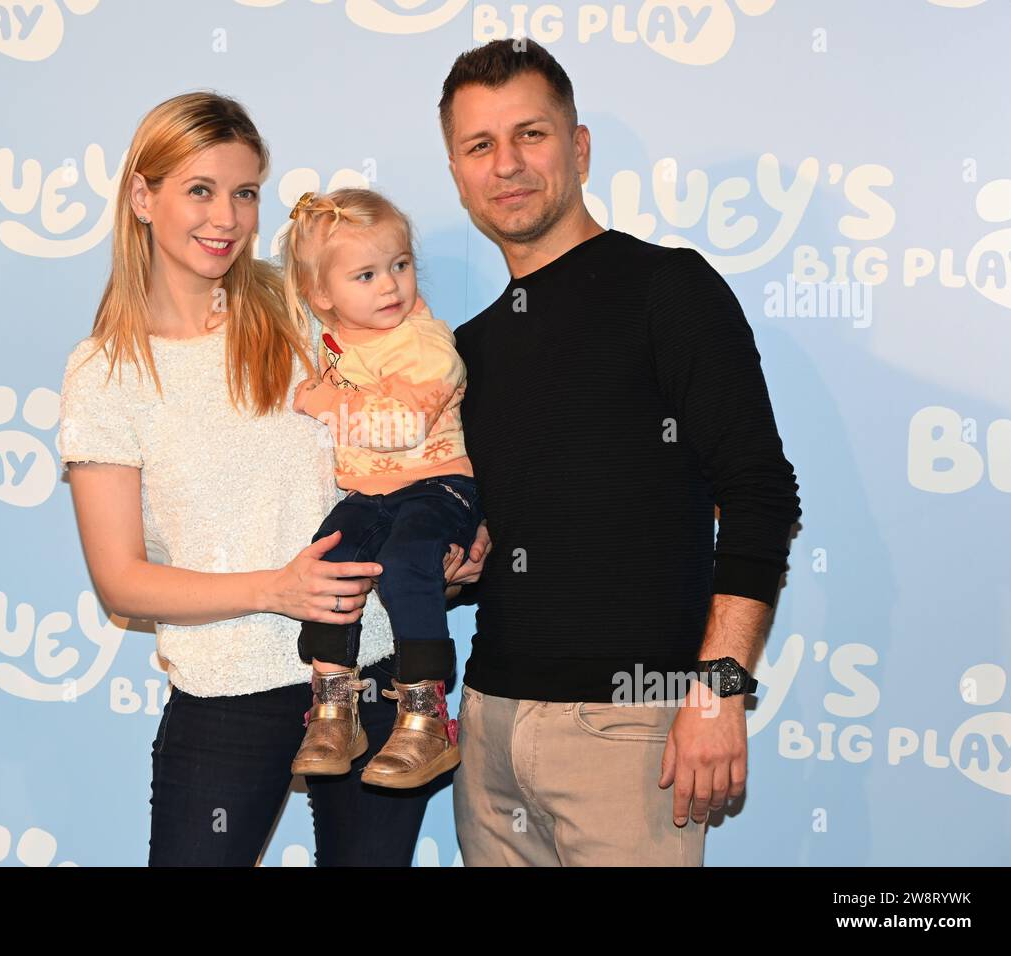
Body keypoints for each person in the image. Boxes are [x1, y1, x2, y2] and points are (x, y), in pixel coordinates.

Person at [54, 91, 491, 866]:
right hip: (226, 696)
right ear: (141, 196)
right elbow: (121, 581)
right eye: (200, 190)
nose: (226, 217)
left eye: (245, 192)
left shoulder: (305, 310)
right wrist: (274, 590)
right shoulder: (106, 371)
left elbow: (417, 416)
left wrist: (455, 544)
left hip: (376, 674)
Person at [438, 39, 803, 865]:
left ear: (579, 147)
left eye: (530, 134)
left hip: (630, 733)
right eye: (480, 146)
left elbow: (761, 495)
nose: (508, 165)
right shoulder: (466, 351)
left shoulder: (667, 289)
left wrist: (717, 693)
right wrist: (459, 563)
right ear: (459, 174)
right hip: (487, 728)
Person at [281, 187, 484, 789]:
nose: (390, 285)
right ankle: (333, 706)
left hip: (436, 486)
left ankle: (426, 713)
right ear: (324, 296)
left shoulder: (424, 342)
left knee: (406, 562)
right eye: (366, 275)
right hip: (371, 494)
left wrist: (326, 402)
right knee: (330, 559)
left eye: (400, 265)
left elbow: (403, 426)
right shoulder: (333, 335)